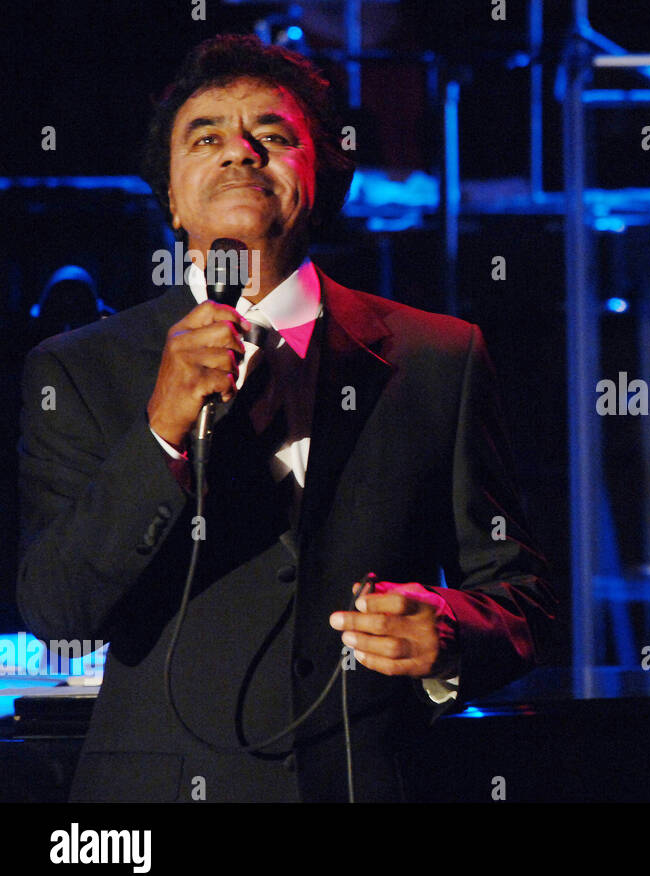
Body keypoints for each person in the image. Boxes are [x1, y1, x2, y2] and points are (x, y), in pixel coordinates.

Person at [16, 35, 557, 802]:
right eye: (206, 136)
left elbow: (518, 591)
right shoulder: (77, 367)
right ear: (170, 195)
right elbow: (55, 605)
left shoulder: (440, 355)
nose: (239, 151)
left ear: (322, 178)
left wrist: (448, 635)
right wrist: (159, 433)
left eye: (270, 135)